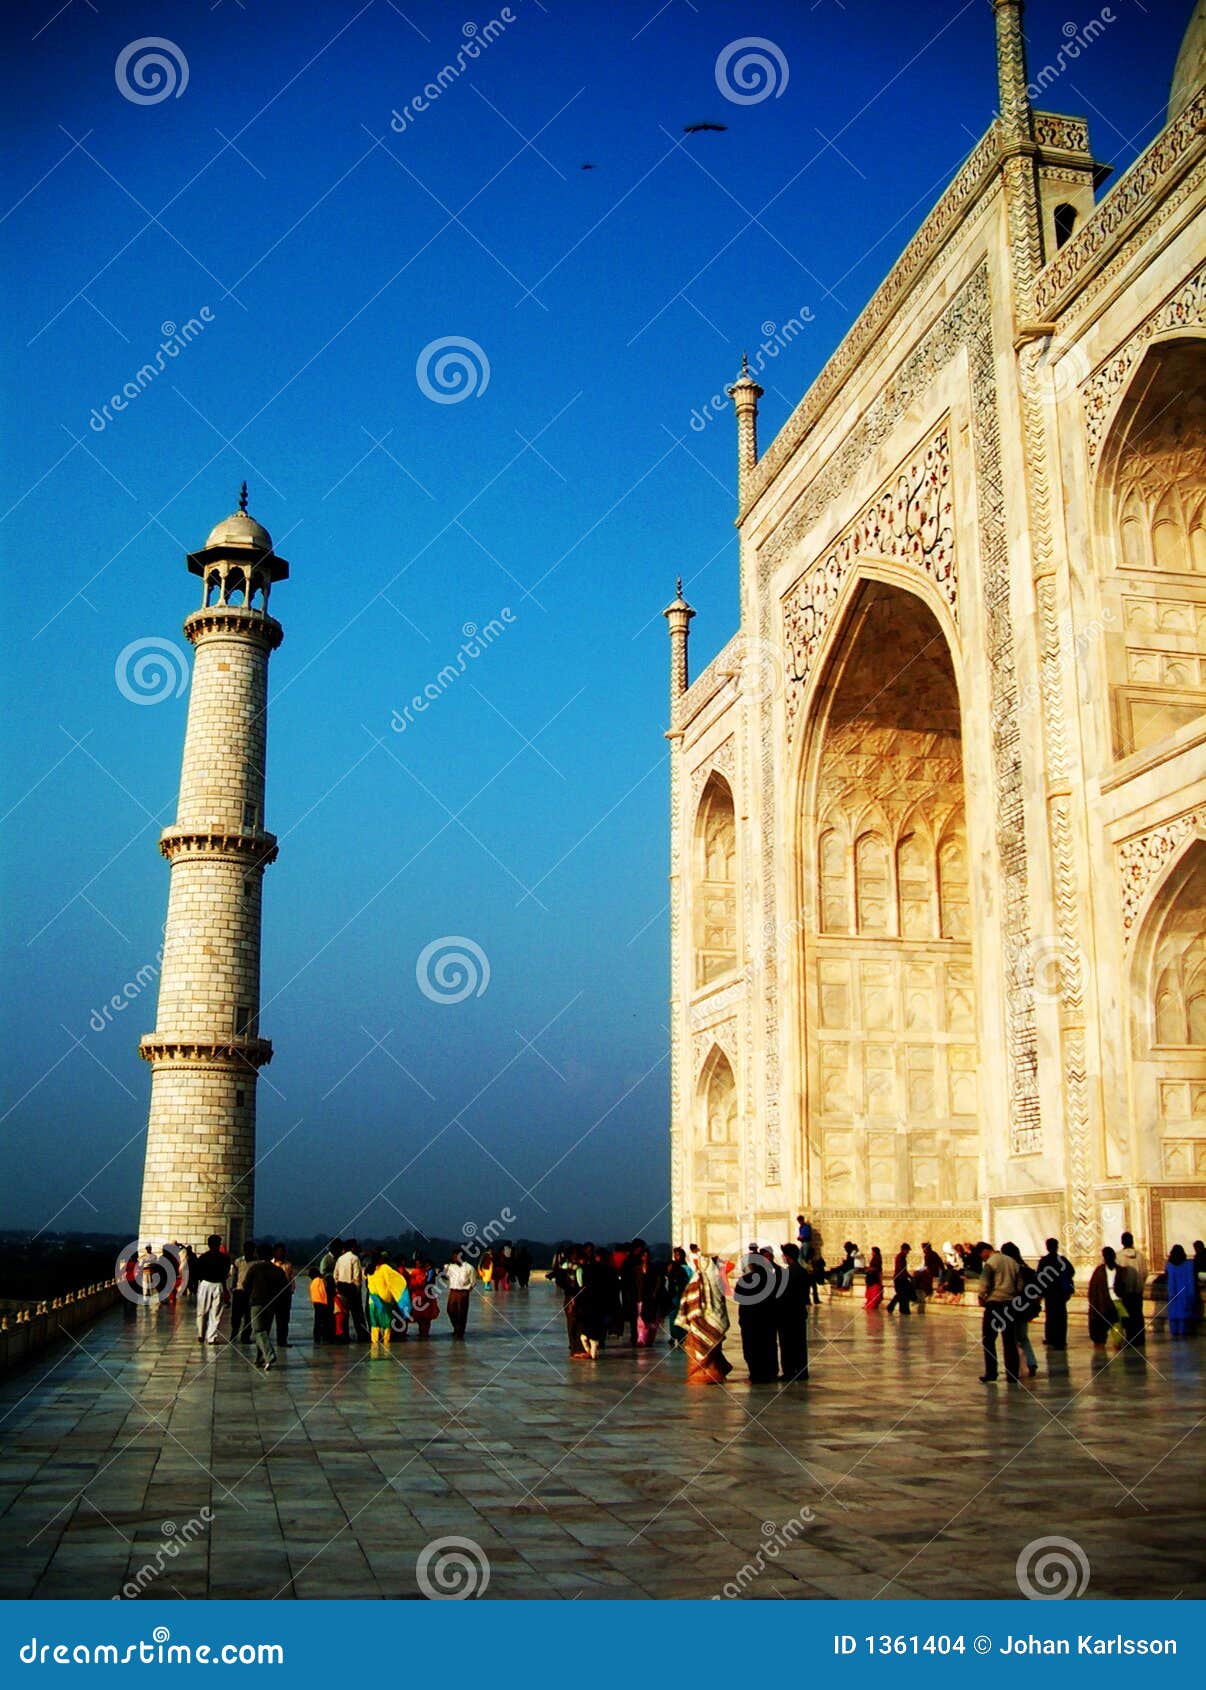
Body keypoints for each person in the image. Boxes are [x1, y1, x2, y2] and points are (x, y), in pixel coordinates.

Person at [679, 1247, 731, 1382]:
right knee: (712, 1347)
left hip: (702, 1319)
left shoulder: (700, 1278)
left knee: (700, 1347)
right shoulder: (716, 1278)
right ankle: (713, 1373)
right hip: (715, 1319)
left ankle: (703, 1375)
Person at [977, 1240, 1022, 1384]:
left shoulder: (990, 1263)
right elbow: (1020, 1284)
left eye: (981, 1255)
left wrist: (981, 1296)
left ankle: (991, 1372)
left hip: (994, 1304)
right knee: (1009, 1340)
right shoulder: (1012, 1262)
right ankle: (1012, 1374)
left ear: (985, 1250)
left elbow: (985, 1282)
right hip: (1009, 1304)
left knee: (989, 1339)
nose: (982, 1258)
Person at [735, 1248, 781, 1383]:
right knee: (769, 1345)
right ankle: (771, 1372)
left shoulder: (746, 1280)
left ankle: (756, 1375)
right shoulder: (771, 1278)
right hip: (768, 1318)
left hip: (750, 1320)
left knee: (752, 1347)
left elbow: (738, 1297)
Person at [244, 1244, 288, 1371]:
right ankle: (259, 1359)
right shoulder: (278, 1270)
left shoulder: (254, 1268)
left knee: (258, 1331)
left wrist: (250, 1294)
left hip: (257, 1303)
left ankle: (269, 1355)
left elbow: (246, 1284)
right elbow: (284, 1288)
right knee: (264, 1332)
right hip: (271, 1305)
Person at [1000, 1242, 1041, 1377]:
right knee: (1023, 1337)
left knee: (1014, 1338)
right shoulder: (1027, 1269)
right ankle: (1031, 1363)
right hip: (1025, 1308)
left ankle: (1018, 1367)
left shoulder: (1012, 1269)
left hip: (1013, 1307)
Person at [777, 1243, 810, 1382]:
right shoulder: (803, 1271)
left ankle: (789, 1371)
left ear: (788, 1256)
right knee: (800, 1343)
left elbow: (783, 1295)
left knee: (787, 1344)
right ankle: (802, 1371)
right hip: (800, 1312)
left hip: (788, 1314)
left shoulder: (788, 1273)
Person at [367, 1251, 410, 1349]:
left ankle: (374, 1349)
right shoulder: (385, 1268)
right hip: (384, 1301)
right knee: (387, 1325)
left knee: (375, 1325)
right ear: (380, 1259)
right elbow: (395, 1280)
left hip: (372, 1301)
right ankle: (386, 1350)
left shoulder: (369, 1270)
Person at [193, 1233, 230, 1344]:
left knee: (202, 1312)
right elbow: (225, 1274)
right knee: (215, 1313)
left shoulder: (203, 1257)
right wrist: (225, 1289)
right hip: (217, 1285)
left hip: (206, 1285)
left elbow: (197, 1273)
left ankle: (201, 1334)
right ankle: (211, 1337)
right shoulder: (225, 1258)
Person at [1038, 1237, 1073, 1350]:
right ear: (1057, 1247)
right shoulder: (1062, 1260)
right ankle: (1061, 1339)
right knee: (1061, 1316)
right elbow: (1072, 1271)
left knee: (1051, 1315)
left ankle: (1051, 1338)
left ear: (1047, 1247)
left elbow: (1039, 1277)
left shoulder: (1044, 1261)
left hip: (1050, 1292)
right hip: (1061, 1292)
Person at [1115, 1231, 1148, 1349]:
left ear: (1122, 1242)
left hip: (1125, 1293)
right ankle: (1139, 1338)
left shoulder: (1118, 1256)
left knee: (1127, 1316)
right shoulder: (1140, 1256)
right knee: (1138, 1315)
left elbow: (1116, 1275)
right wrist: (1139, 1285)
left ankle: (1130, 1338)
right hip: (1137, 1292)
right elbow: (1145, 1273)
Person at [334, 1239, 368, 1341]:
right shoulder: (355, 1258)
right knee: (357, 1315)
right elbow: (357, 1276)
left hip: (341, 1288)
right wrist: (357, 1290)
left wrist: (338, 1287)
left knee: (344, 1314)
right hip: (352, 1288)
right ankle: (362, 1336)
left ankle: (344, 1336)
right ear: (353, 1247)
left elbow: (335, 1275)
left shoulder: (340, 1259)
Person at [1088, 1246, 1121, 1348]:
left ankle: (1117, 1343)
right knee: (1104, 1327)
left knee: (1116, 1326)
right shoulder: (1099, 1271)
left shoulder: (1120, 1270)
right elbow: (1093, 1289)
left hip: (1116, 1301)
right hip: (1103, 1303)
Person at [1165, 1244, 1197, 1337]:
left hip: (1173, 1294)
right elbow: (1191, 1280)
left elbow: (1170, 1280)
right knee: (1185, 1316)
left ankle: (1175, 1332)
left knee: (1174, 1316)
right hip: (1186, 1294)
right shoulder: (1189, 1264)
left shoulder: (1170, 1265)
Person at [230, 1240, 257, 1345]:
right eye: (246, 1249)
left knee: (248, 1316)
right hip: (239, 1291)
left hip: (251, 1292)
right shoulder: (239, 1261)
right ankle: (234, 1333)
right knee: (236, 1316)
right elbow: (235, 1275)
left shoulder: (256, 1263)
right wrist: (233, 1287)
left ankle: (245, 1336)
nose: (248, 1252)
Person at [445, 1248, 474, 1339]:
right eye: (453, 1257)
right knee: (450, 1310)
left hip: (463, 1292)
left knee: (462, 1312)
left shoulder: (469, 1267)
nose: (454, 1259)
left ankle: (460, 1331)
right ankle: (456, 1327)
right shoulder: (451, 1267)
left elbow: (473, 1282)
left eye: (456, 1257)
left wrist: (467, 1291)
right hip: (453, 1291)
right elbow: (445, 1275)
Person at [666, 1246, 692, 1347]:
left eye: (678, 1255)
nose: (676, 1257)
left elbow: (689, 1281)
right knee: (673, 1316)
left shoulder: (686, 1268)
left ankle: (681, 1336)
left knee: (681, 1316)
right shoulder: (672, 1267)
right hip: (673, 1295)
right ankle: (673, 1336)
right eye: (675, 1255)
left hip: (682, 1295)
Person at [271, 1244, 295, 1347]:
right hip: (272, 1296)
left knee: (284, 1321)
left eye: (283, 1252)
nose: (281, 1254)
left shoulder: (288, 1265)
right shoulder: (270, 1264)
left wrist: (290, 1291)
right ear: (274, 1252)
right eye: (279, 1251)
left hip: (285, 1297)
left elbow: (292, 1280)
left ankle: (282, 1341)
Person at [409, 1259, 439, 1339]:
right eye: (417, 1263)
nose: (418, 1265)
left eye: (419, 1263)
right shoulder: (420, 1272)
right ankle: (423, 1333)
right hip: (421, 1296)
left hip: (422, 1296)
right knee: (423, 1316)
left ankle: (424, 1333)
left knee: (425, 1316)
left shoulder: (425, 1272)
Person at [887, 1244, 913, 1315]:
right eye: (907, 1250)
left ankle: (901, 1309)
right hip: (900, 1278)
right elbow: (902, 1269)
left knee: (902, 1294)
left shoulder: (901, 1257)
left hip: (900, 1278)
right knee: (901, 1294)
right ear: (904, 1249)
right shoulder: (900, 1257)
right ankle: (893, 1307)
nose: (908, 1252)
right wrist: (910, 1277)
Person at [309, 1269, 333, 1343]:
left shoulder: (312, 1283)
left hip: (316, 1302)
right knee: (325, 1321)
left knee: (317, 1321)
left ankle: (317, 1337)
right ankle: (325, 1337)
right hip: (323, 1302)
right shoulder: (320, 1280)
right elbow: (324, 1291)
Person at [864, 1246, 884, 1311]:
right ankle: (871, 1304)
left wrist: (869, 1269)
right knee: (872, 1292)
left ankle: (871, 1305)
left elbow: (877, 1268)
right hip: (872, 1279)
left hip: (874, 1279)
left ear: (875, 1252)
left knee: (874, 1292)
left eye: (872, 1251)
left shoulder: (877, 1259)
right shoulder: (875, 1258)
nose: (871, 1253)